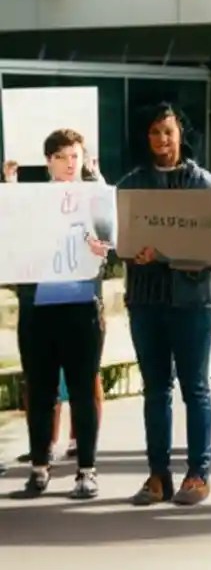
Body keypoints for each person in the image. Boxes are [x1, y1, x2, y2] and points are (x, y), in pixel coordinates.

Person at [118, 103, 211, 507]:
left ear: (181, 132)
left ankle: (198, 473)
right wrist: (133, 253)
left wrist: (170, 254)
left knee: (195, 388)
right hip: (146, 300)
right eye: (154, 133)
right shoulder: (130, 184)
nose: (162, 140)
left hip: (194, 300)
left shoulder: (207, 186)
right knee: (155, 389)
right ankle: (157, 475)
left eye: (168, 131)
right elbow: (120, 243)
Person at [8, 130, 112, 500]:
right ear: (49, 160)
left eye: (77, 156)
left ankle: (87, 469)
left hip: (82, 305)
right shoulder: (30, 197)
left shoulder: (95, 195)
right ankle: (39, 466)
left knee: (84, 389)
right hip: (38, 307)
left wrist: (103, 245)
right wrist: (10, 185)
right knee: (40, 390)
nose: (72, 163)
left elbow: (110, 239)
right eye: (64, 156)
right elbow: (12, 236)